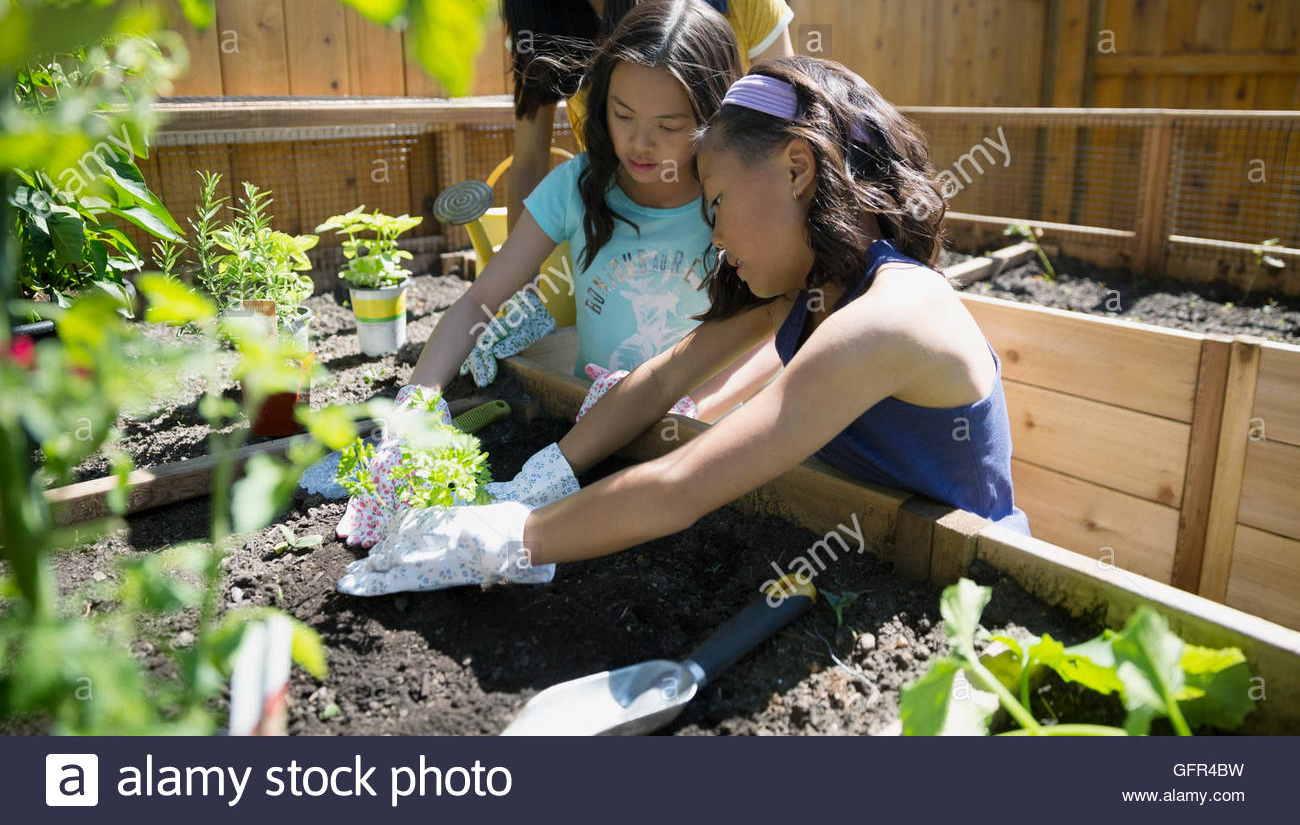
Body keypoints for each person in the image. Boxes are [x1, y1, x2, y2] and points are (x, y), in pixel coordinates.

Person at [338, 57, 1030, 595]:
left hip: (968, 587)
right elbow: (662, 378)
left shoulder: (889, 317)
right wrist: (548, 471)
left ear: (797, 169)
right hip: (871, 550)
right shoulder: (811, 285)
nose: (716, 232)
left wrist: (508, 536)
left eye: (719, 201)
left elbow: (683, 486)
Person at [343, 0, 758, 548]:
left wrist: (694, 409)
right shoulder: (577, 187)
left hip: (698, 437)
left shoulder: (731, 199)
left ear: (713, 119)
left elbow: (774, 332)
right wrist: (416, 404)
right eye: (622, 114)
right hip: (588, 431)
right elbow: (477, 302)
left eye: (668, 125)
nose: (638, 142)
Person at [499, 0, 795, 226]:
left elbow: (785, 141)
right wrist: (522, 280)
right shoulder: (541, 23)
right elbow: (529, 162)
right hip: (620, 254)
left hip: (738, 245)